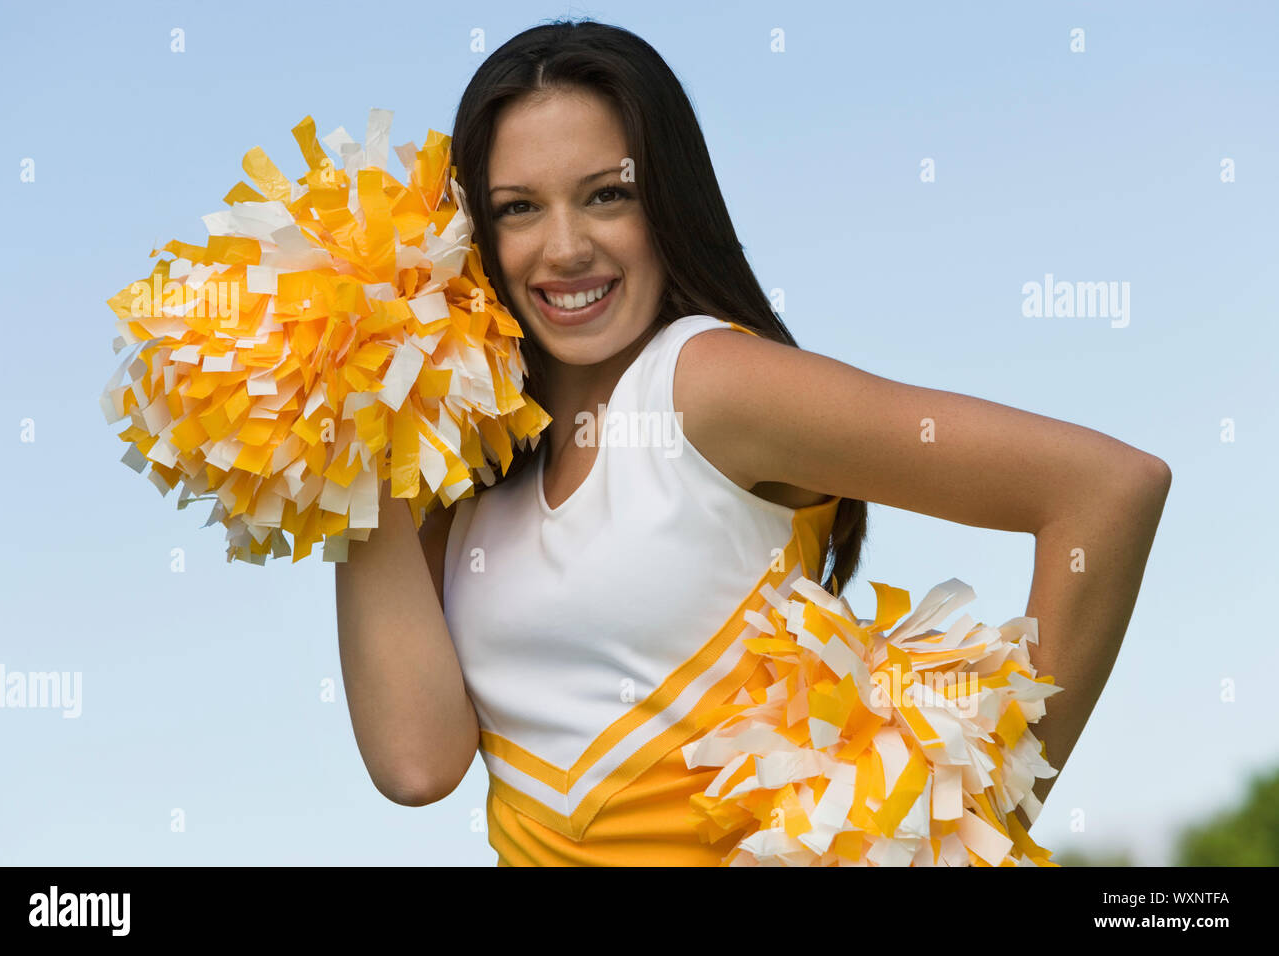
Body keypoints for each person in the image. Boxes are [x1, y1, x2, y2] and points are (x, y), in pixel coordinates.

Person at [334, 18, 1171, 866]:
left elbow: (1104, 489)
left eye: (607, 194)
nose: (566, 247)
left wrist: (964, 824)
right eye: (518, 208)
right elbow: (417, 765)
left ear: (668, 200)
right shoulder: (472, 473)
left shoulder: (706, 383)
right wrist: (340, 446)